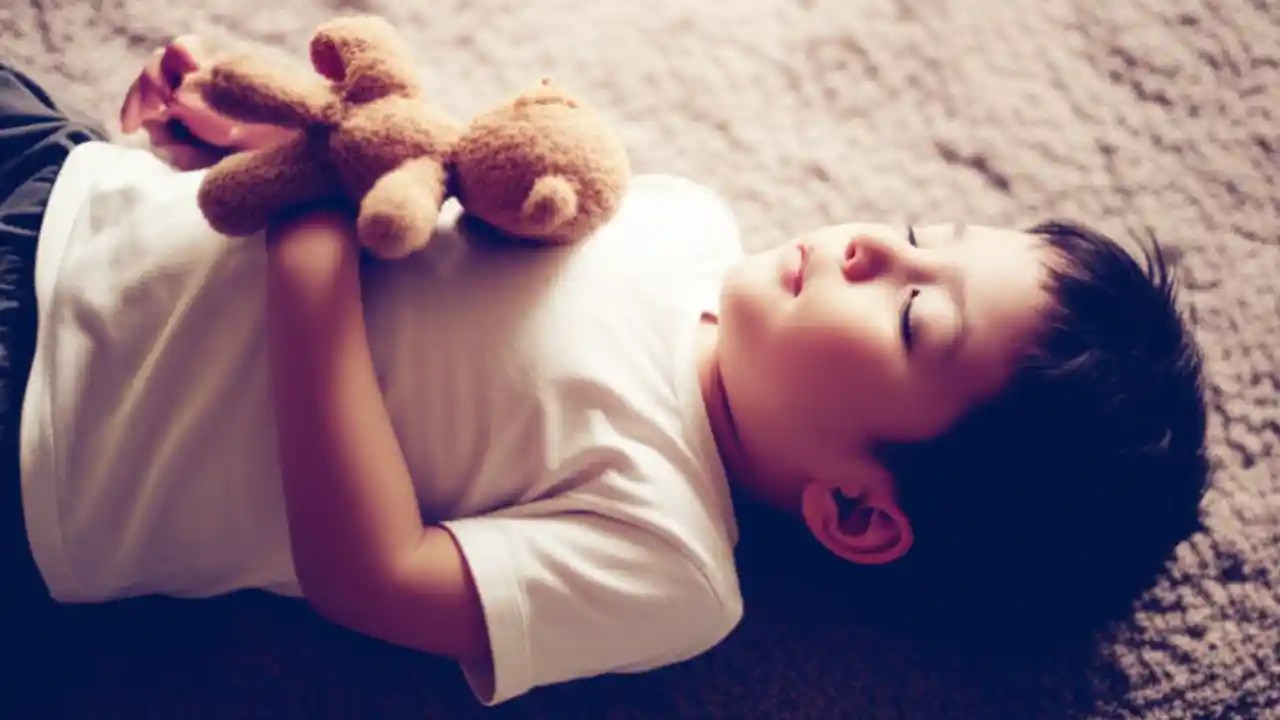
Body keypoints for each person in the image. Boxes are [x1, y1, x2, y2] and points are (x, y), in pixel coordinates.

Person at [2, 35, 1207, 706]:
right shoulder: (682, 220)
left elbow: (368, 573)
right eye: (920, 232)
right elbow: (423, 170)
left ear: (854, 511)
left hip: (53, 436)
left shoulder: (672, 567)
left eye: (908, 316)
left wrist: (307, 238)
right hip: (74, 193)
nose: (869, 244)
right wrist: (227, 144)